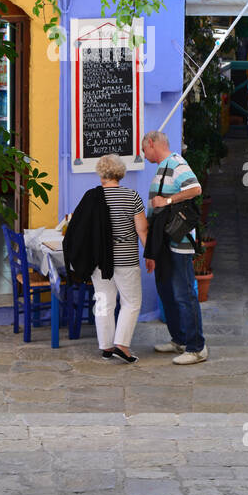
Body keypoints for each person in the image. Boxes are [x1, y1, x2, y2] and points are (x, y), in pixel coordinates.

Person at [141, 129, 207, 364]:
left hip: (179, 243)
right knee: (167, 291)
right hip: (164, 244)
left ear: (151, 143)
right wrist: (152, 250)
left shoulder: (176, 162)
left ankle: (197, 347)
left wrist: (167, 200)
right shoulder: (163, 168)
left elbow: (195, 188)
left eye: (143, 149)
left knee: (183, 293)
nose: (144, 155)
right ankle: (179, 339)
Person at [88, 154, 148, 362]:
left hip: (99, 260)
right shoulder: (131, 196)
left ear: (101, 173)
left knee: (104, 302)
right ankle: (121, 345)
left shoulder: (92, 197)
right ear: (120, 173)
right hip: (126, 259)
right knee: (131, 302)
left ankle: (106, 347)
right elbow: (142, 230)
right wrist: (150, 254)